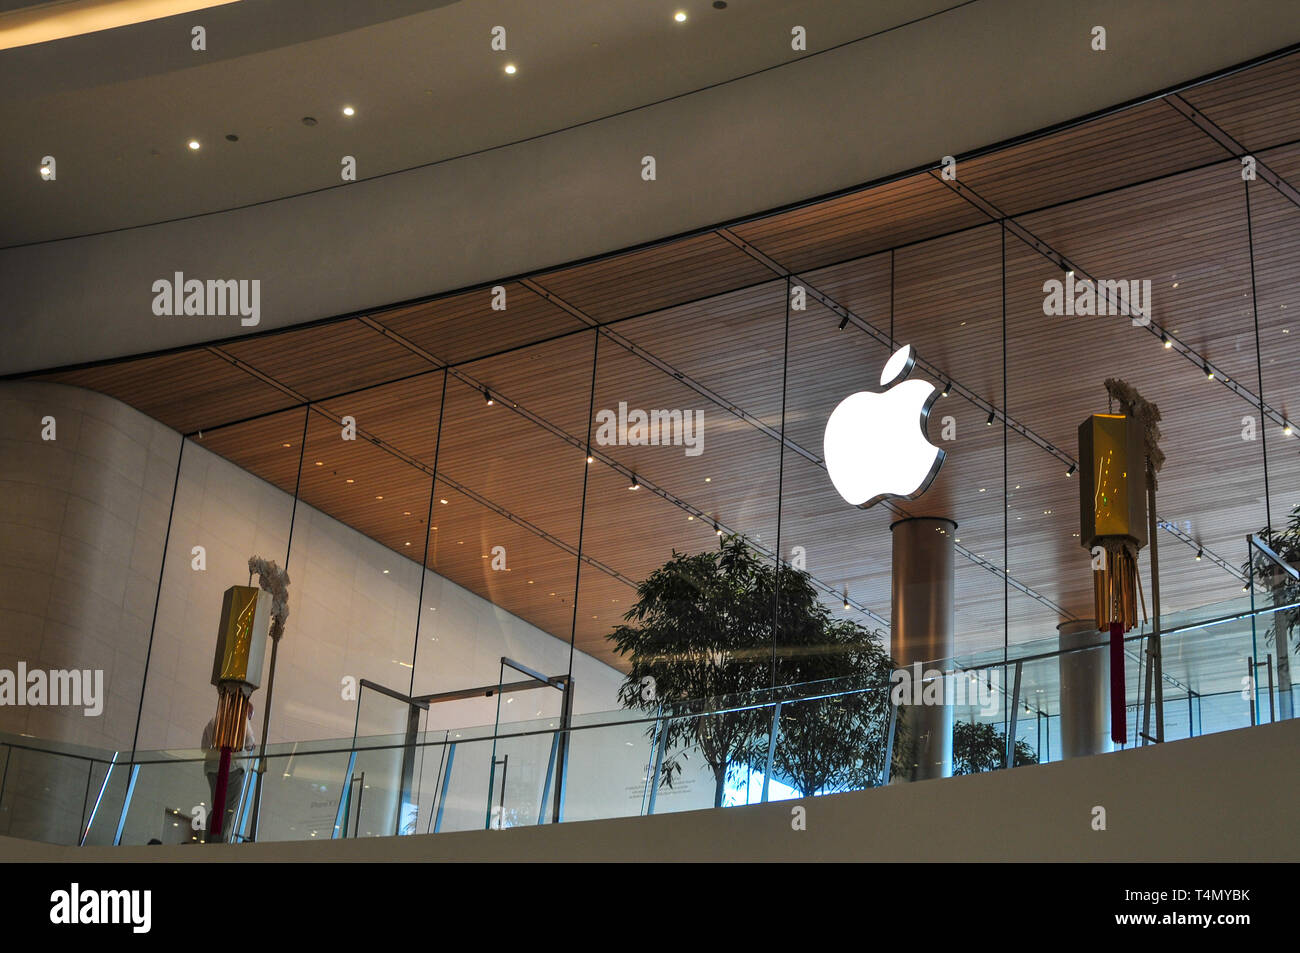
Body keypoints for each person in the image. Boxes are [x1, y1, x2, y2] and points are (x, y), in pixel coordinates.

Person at [202, 700, 256, 843]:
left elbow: (204, 746)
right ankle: (220, 841)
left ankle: (208, 839)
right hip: (233, 767)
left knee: (216, 806)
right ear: (246, 711)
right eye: (250, 716)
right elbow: (250, 741)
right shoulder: (241, 720)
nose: (249, 719)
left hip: (212, 768)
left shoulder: (215, 719)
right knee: (229, 808)